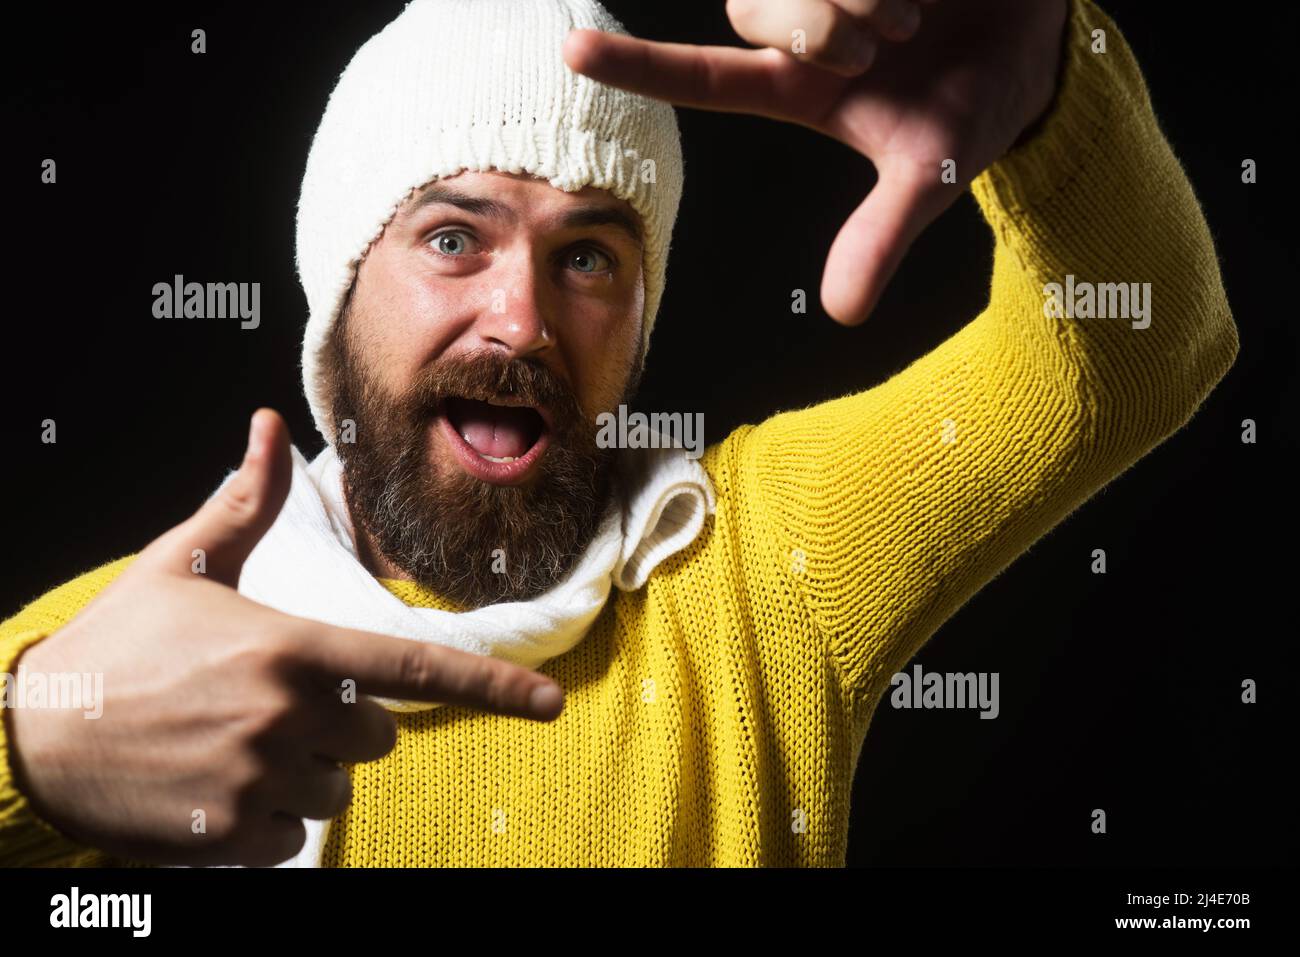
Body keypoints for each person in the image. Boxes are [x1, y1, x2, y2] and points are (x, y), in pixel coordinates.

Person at [0, 0, 1238, 867]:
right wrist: (33, 749)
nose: (522, 319)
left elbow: (1141, 350)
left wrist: (1044, 89)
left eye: (588, 256)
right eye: (452, 239)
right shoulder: (142, 644)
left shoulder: (760, 566)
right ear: (338, 290)